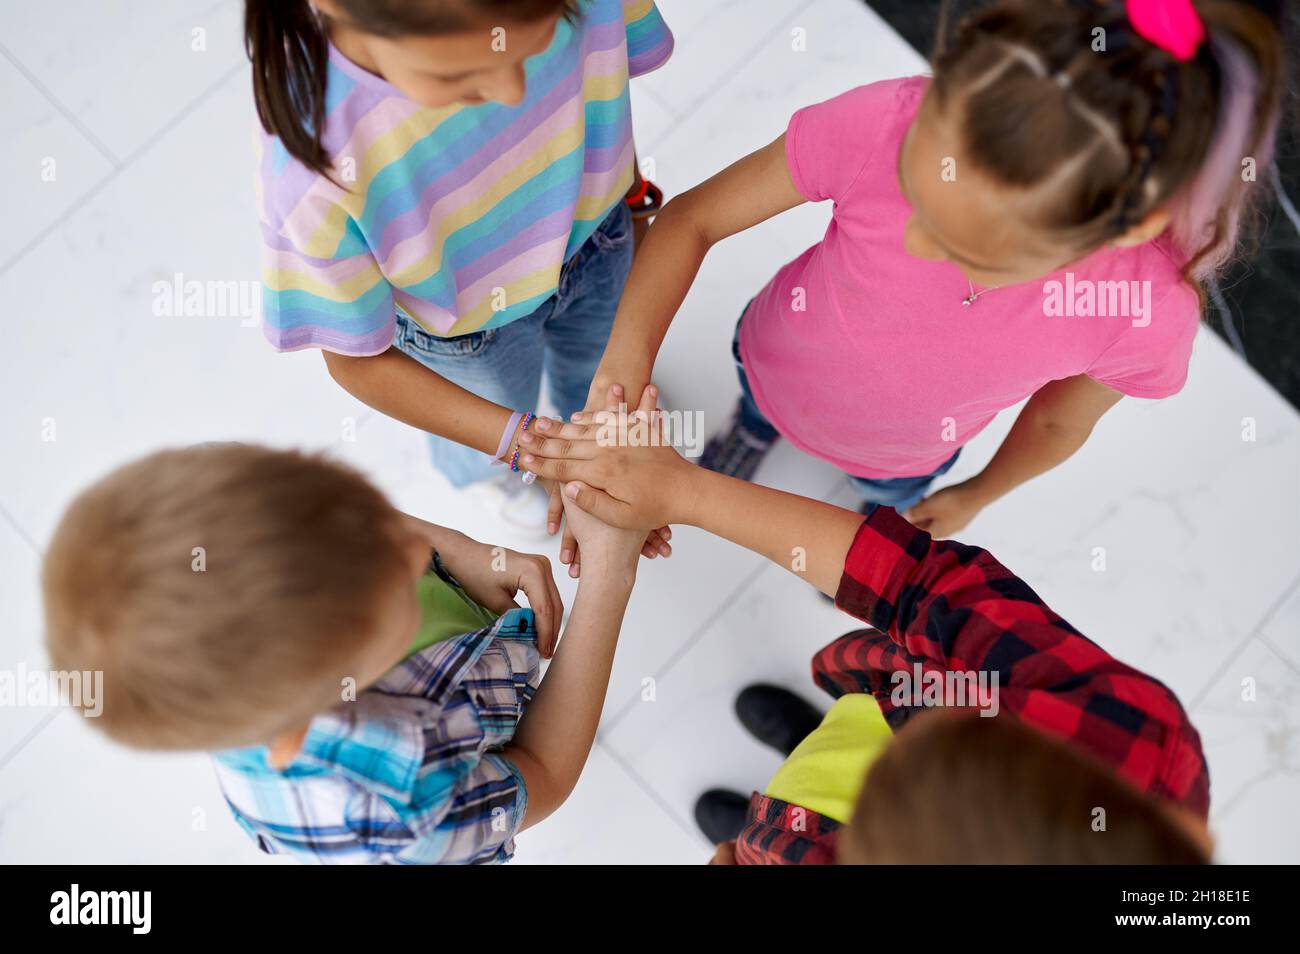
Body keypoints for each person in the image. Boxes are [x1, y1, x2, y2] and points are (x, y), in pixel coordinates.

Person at [581, 0, 1282, 537]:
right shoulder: (887, 122)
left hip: (905, 459)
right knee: (760, 404)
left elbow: (1055, 425)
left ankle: (866, 509)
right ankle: (754, 429)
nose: (914, 245)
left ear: (1126, 228)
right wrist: (617, 376)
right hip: (775, 359)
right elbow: (692, 220)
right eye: (916, 196)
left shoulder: (1143, 312)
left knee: (883, 504)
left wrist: (979, 494)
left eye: (965, 248)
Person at [41, 443, 644, 864]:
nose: (413, 555)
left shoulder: (252, 571)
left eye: (370, 525)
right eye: (391, 582)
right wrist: (609, 571)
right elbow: (544, 767)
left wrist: (461, 550)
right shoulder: (406, 815)